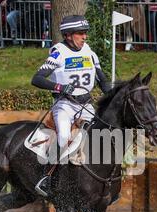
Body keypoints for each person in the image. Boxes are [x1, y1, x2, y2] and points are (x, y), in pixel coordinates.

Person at [31, 15, 111, 197]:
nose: (85, 37)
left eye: (85, 33)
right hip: (64, 105)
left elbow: (103, 80)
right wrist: (60, 87)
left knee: (101, 135)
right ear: (68, 35)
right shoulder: (58, 53)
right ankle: (48, 178)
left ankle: (107, 181)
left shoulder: (89, 53)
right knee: (64, 138)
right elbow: (36, 79)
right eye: (80, 34)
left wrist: (113, 95)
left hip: (86, 105)